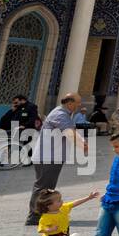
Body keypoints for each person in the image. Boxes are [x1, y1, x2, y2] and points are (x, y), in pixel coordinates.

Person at [26, 93, 89, 225]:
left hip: (52, 156)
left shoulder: (63, 114)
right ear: (70, 103)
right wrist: (82, 145)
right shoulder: (60, 114)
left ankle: (41, 213)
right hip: (48, 157)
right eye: (78, 103)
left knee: (46, 186)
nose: (79, 105)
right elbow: (69, 132)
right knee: (43, 187)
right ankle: (34, 216)